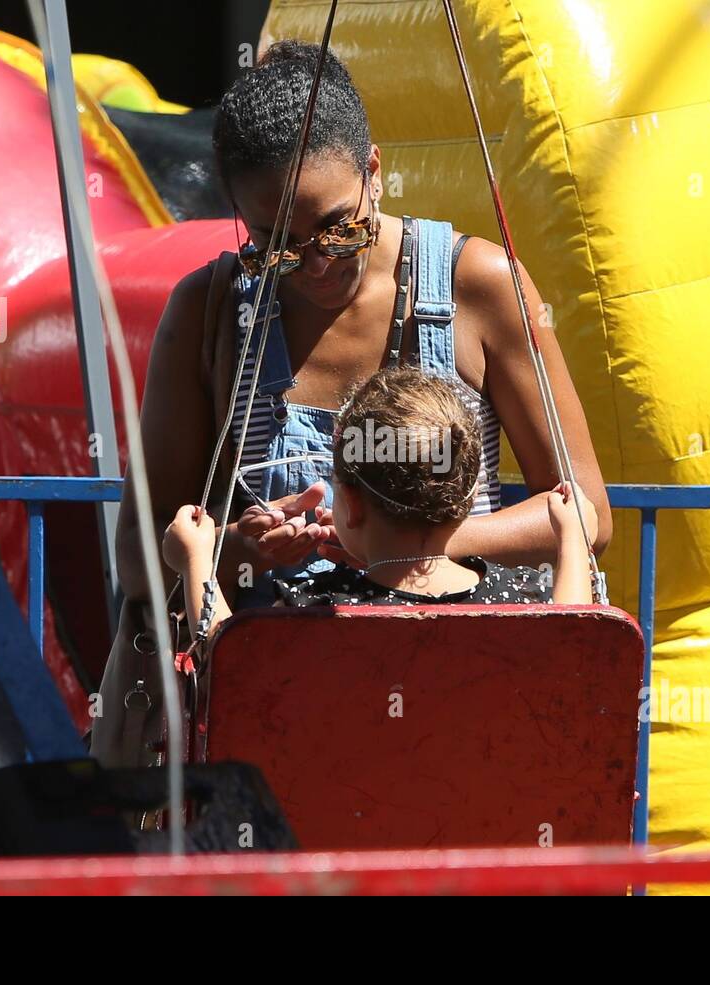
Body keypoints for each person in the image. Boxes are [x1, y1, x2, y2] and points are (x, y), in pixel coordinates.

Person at [93, 40, 609, 764]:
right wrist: (240, 549)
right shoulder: (209, 311)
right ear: (238, 218)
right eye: (276, 244)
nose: (316, 265)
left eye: (339, 227)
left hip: (462, 708)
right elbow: (141, 551)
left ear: (374, 169)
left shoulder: (479, 285)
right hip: (277, 732)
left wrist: (408, 541)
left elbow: (585, 509)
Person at [164, 367, 597, 640]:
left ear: (348, 503)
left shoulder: (315, 614)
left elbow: (229, 659)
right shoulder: (525, 602)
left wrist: (196, 560)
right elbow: (575, 634)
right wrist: (572, 539)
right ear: (464, 499)